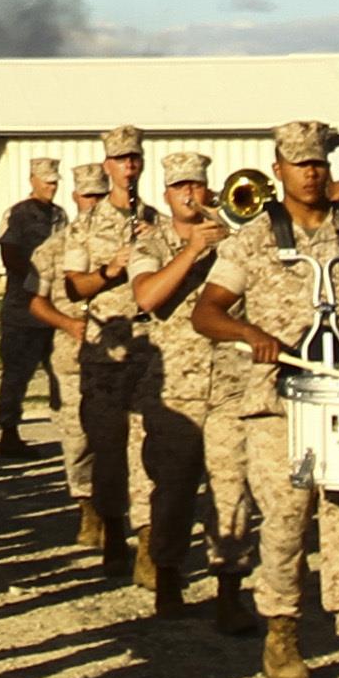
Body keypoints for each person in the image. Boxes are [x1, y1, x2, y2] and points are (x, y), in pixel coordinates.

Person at [193, 119, 339, 678]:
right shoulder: (252, 241)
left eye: (318, 162)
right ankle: (282, 633)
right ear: (279, 172)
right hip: (276, 403)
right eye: (299, 164)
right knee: (287, 525)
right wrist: (249, 332)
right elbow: (207, 312)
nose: (311, 173)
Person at [131, 152, 253, 632]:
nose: (189, 194)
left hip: (229, 385)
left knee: (231, 489)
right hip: (175, 393)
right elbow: (147, 297)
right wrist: (191, 252)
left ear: (209, 191)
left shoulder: (235, 242)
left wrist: (223, 243)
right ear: (166, 195)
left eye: (197, 186)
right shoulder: (151, 242)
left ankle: (229, 589)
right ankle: (167, 577)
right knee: (174, 491)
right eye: (180, 186)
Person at [46, 131, 161, 579]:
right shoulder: (83, 228)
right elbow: (75, 287)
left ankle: (150, 545)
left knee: (148, 452)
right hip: (104, 355)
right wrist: (112, 270)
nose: (129, 167)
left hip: (151, 353)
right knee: (109, 453)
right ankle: (113, 529)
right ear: (106, 165)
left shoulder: (159, 221)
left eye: (134, 158)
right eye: (120, 159)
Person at [0, 159, 65, 442]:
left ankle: (67, 428)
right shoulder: (19, 214)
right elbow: (9, 253)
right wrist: (37, 279)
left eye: (55, 182)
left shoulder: (59, 215)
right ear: (32, 180)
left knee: (61, 372)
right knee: (16, 376)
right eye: (46, 181)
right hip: (22, 309)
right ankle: (9, 433)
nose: (51, 187)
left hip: (54, 308)